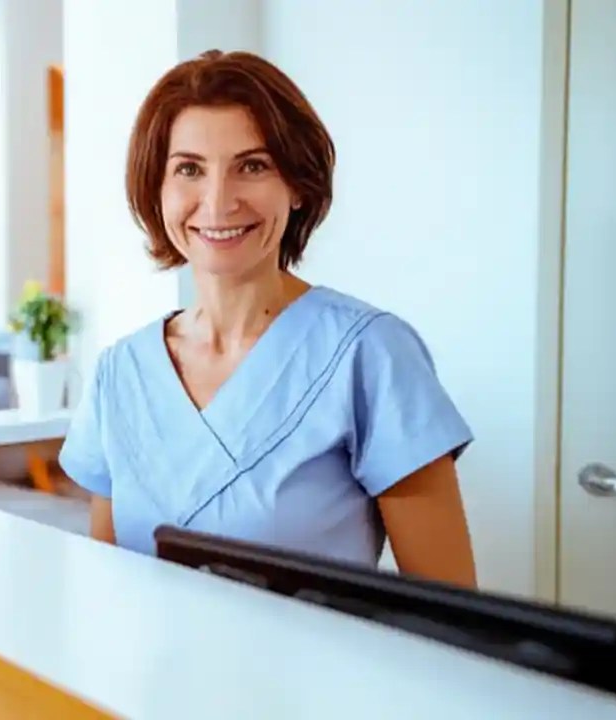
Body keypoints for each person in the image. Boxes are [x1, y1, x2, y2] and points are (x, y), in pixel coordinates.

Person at [57, 50, 478, 588]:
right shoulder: (122, 373)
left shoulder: (370, 354)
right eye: (189, 169)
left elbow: (452, 615)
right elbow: (106, 588)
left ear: (297, 185)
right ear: (156, 190)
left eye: (252, 166)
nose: (218, 201)